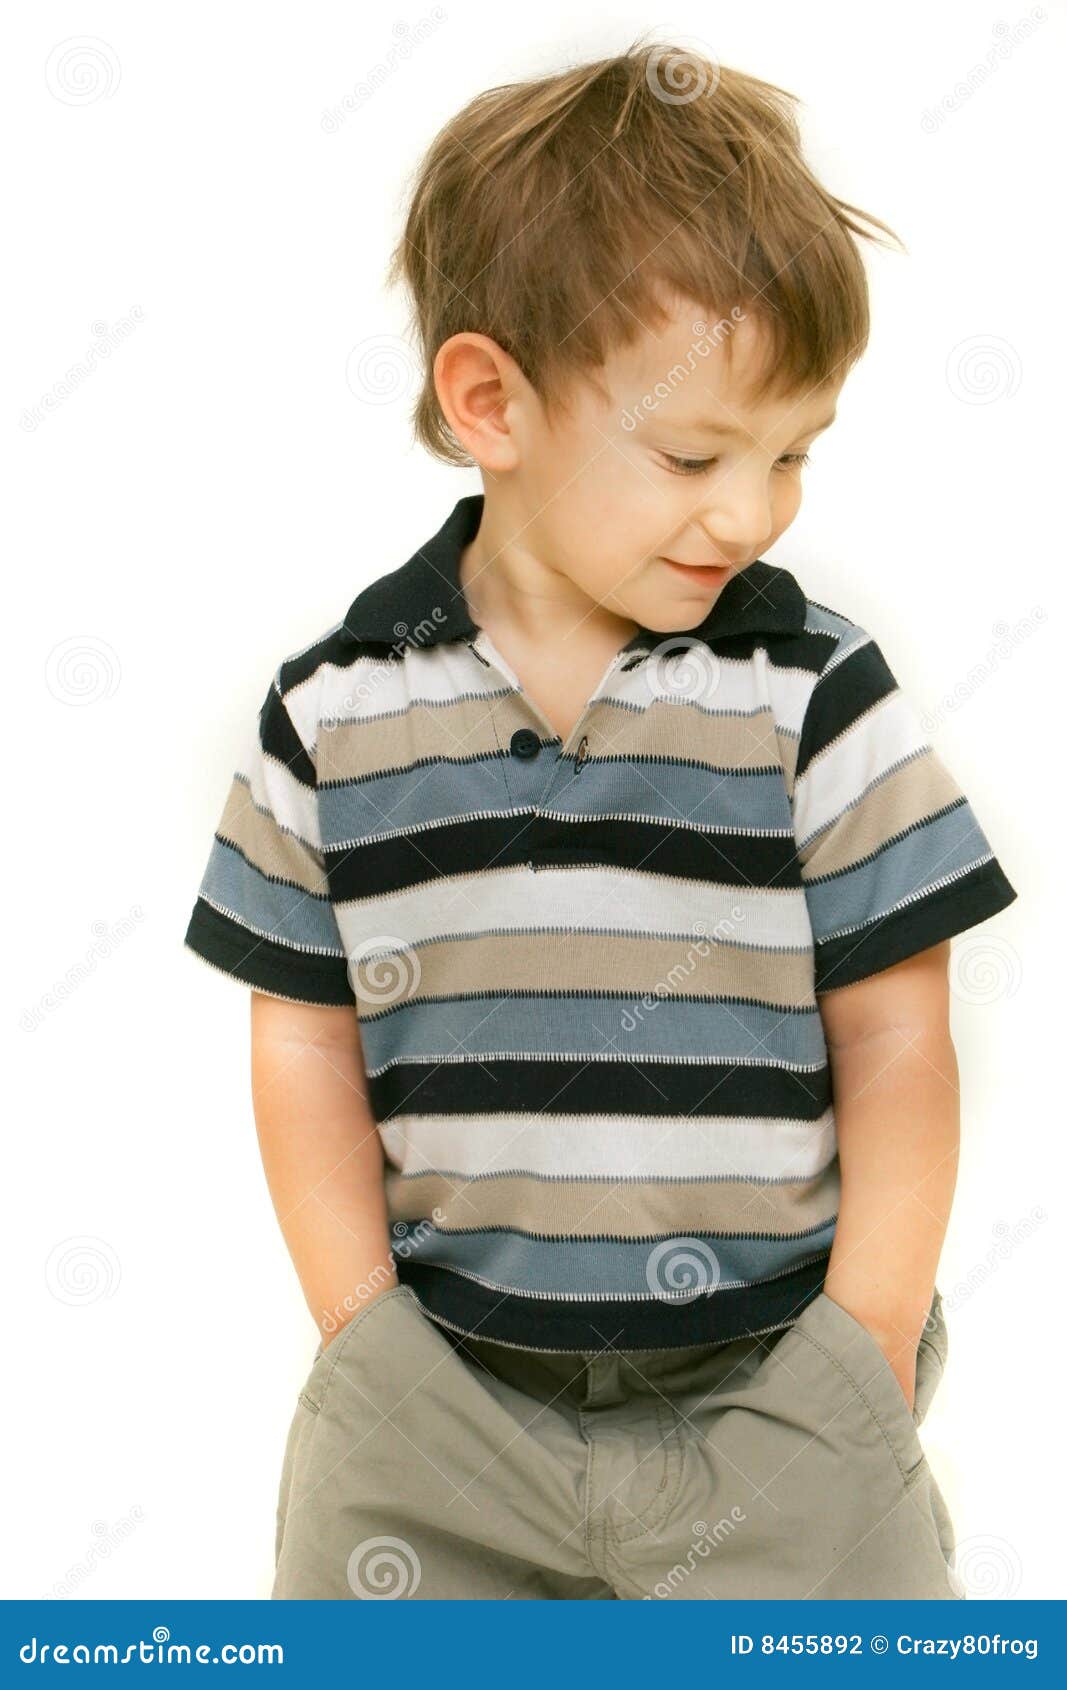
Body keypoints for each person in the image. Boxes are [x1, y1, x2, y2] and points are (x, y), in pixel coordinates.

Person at [184, 41, 1018, 1600]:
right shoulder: (335, 713)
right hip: (443, 1410)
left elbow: (902, 1034)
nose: (752, 511)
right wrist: (363, 1334)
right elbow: (300, 1041)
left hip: (777, 1388)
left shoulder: (814, 693)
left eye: (793, 452)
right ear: (490, 401)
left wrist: (868, 1338)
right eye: (695, 454)